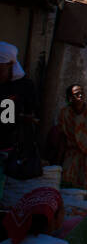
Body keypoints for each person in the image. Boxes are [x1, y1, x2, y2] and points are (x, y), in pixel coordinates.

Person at [0, 43, 41, 177]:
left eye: (0, 70)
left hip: (9, 147)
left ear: (11, 64)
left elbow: (30, 115)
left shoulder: (24, 86)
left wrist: (23, 118)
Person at [57, 84, 87, 199]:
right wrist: (59, 159)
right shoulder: (65, 113)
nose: (81, 95)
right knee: (68, 183)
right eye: (77, 94)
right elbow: (63, 136)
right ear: (70, 98)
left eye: (82, 92)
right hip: (72, 153)